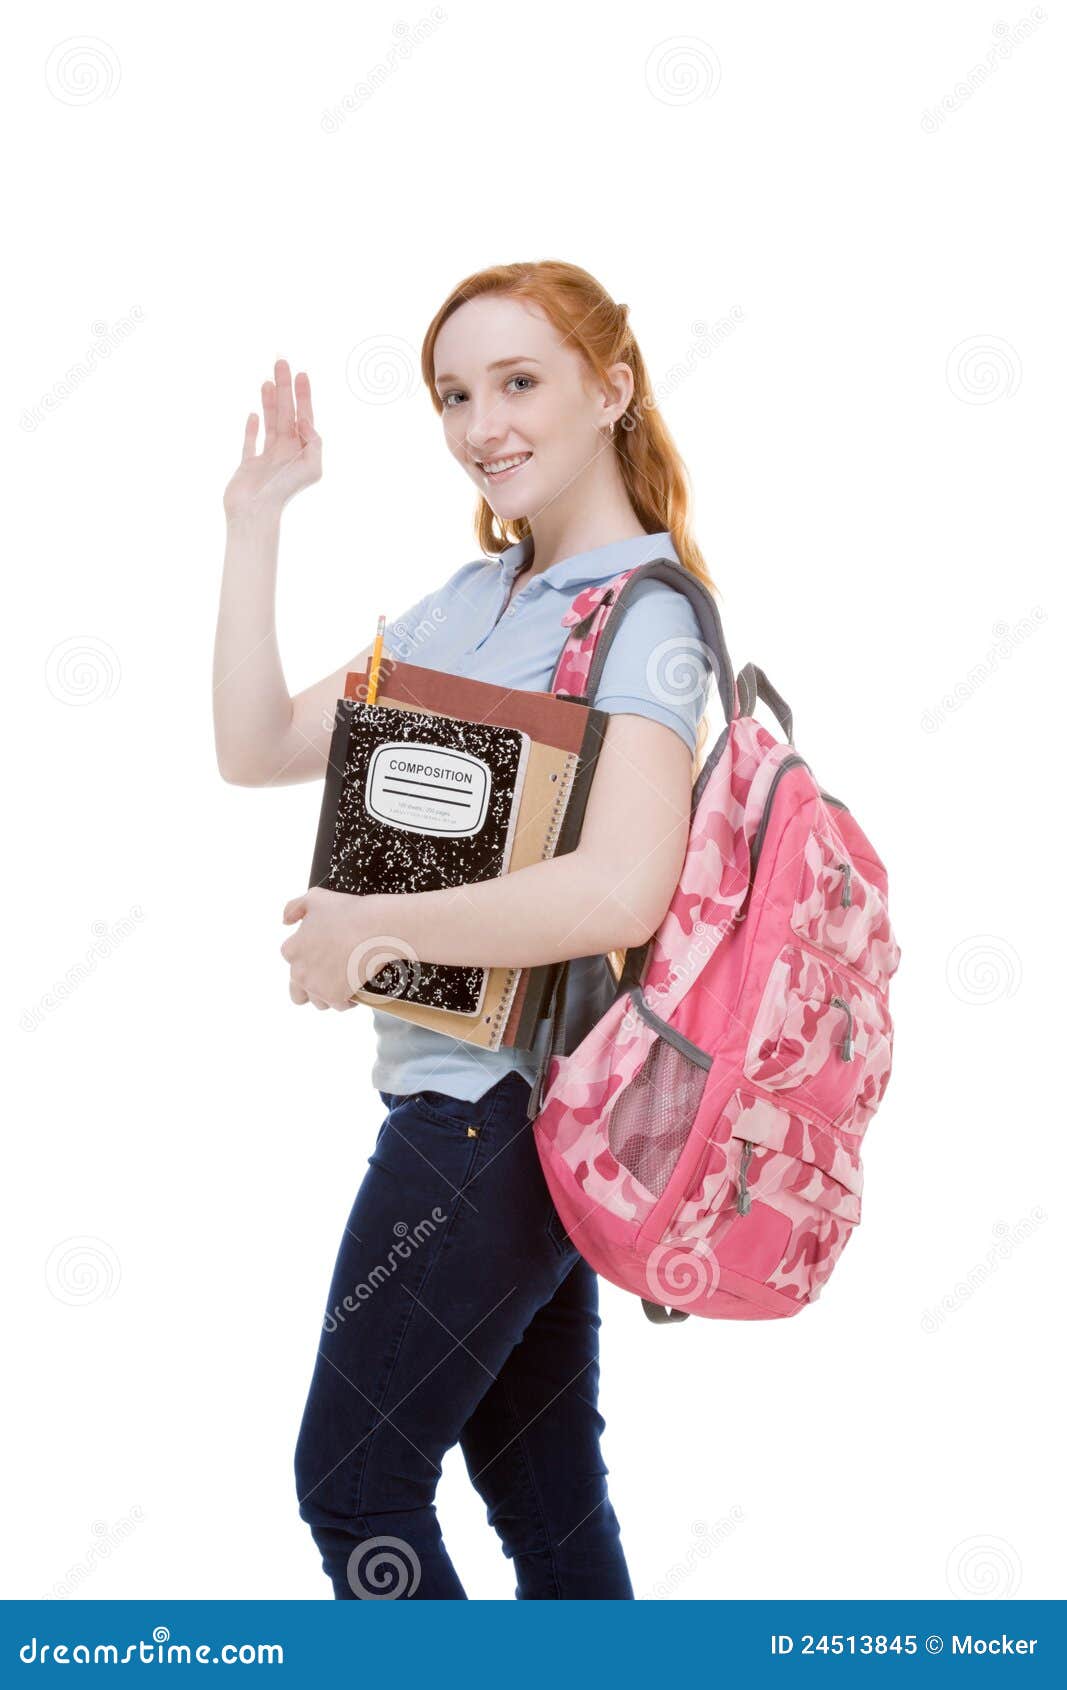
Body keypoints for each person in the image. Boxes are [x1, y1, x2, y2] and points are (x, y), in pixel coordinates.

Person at [213, 259, 719, 1599]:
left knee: (355, 1482)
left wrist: (372, 928)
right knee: (551, 1514)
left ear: (609, 389)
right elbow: (258, 744)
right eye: (453, 393)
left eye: (518, 381)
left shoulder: (648, 619)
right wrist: (256, 521)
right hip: (480, 1113)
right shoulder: (469, 603)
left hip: (497, 1116)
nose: (483, 422)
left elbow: (624, 887)